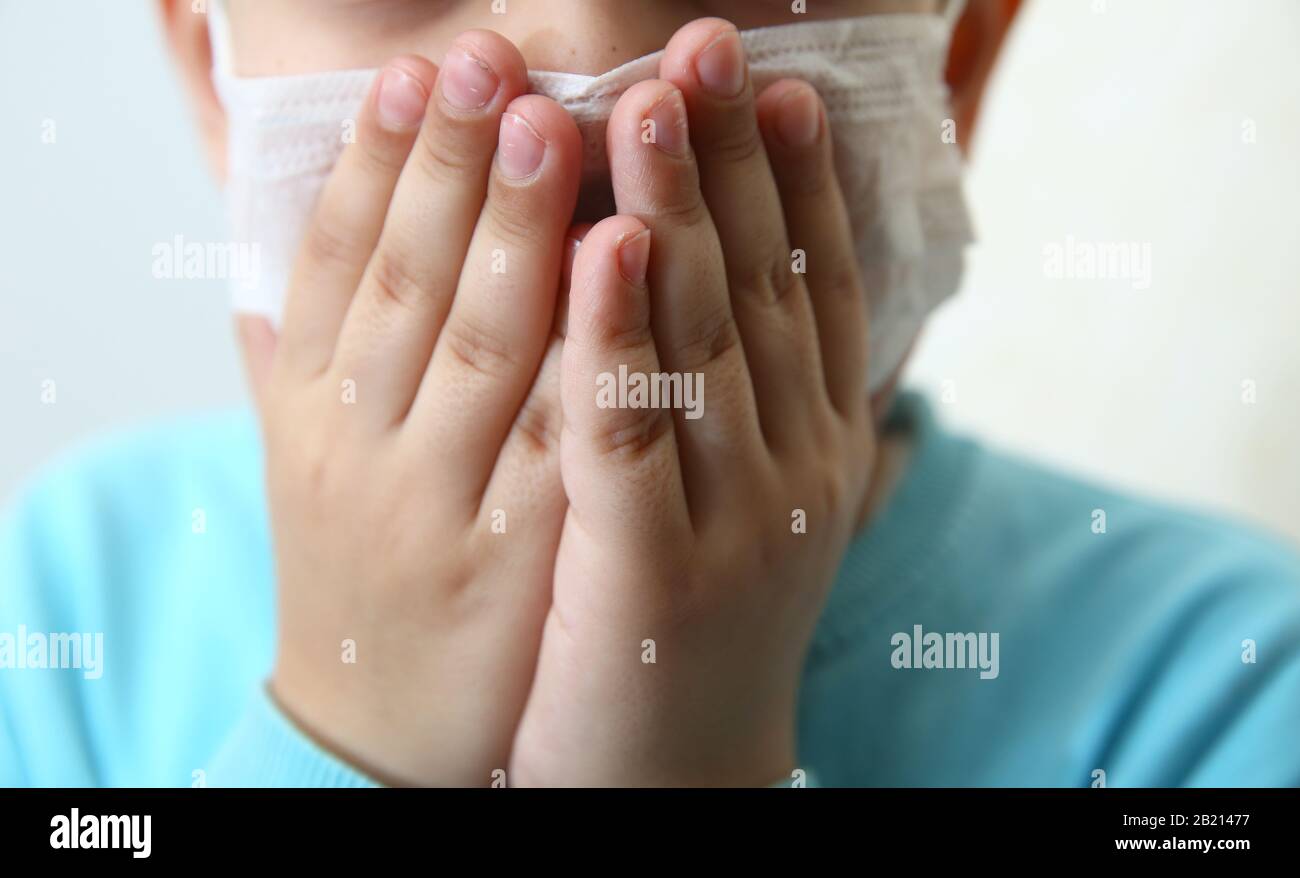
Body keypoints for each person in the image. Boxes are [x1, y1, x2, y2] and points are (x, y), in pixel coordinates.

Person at [2, 0, 1297, 787]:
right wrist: (352, 734)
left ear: (950, 69)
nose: (581, 72)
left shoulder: (1224, 694)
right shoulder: (59, 621)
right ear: (213, 61)